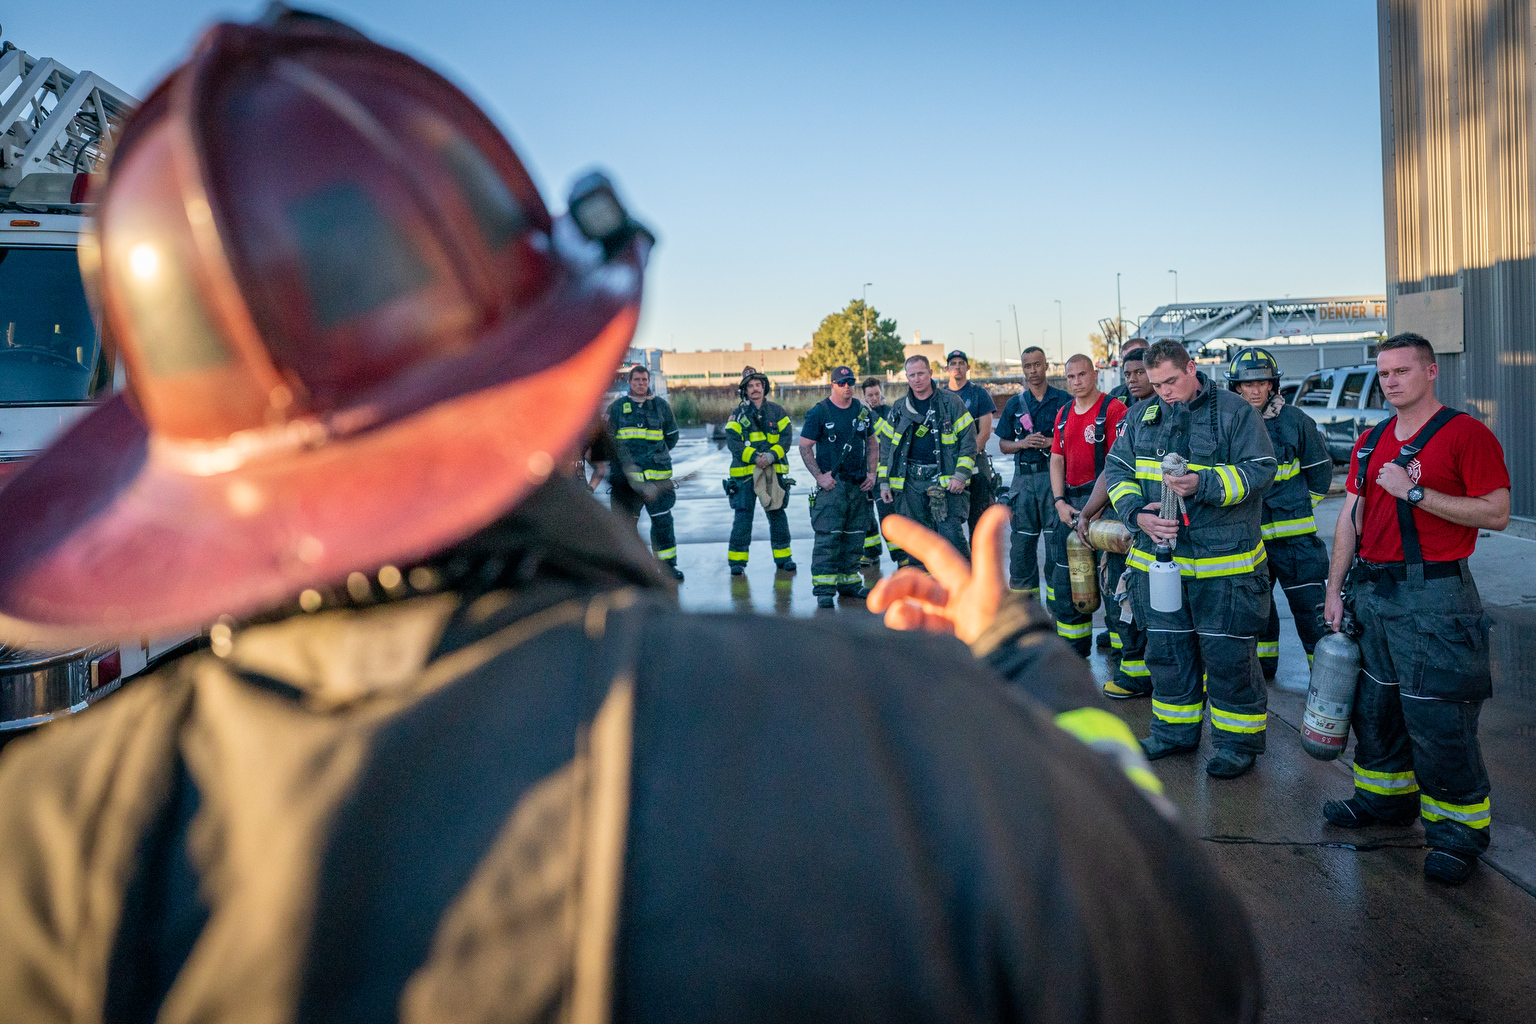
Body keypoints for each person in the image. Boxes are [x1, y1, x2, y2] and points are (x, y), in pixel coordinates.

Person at [0, 16, 1267, 1020]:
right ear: (565, 391)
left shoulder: (46, 844)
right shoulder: (897, 734)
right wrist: (1023, 666)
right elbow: (1191, 954)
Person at [1322, 332, 1510, 886]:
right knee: (1375, 712)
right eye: (1384, 373)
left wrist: (1415, 493)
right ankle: (1384, 802)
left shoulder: (1464, 434)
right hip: (1373, 594)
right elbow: (1348, 519)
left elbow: (1497, 512)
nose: (1391, 381)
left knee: (1439, 718)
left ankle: (1456, 834)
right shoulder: (1371, 438)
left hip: (1436, 596)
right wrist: (1334, 590)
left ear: (1431, 372)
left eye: (1402, 371)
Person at [1103, 340, 1277, 779]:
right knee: (1167, 652)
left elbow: (1260, 470)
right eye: (1156, 382)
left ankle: (1237, 744)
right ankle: (1174, 733)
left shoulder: (1236, 412)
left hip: (1226, 568)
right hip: (1159, 567)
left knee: (1229, 659)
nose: (1163, 390)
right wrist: (1136, 515)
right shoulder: (1140, 417)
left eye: (1171, 380)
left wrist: (1205, 483)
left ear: (1192, 368)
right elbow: (1118, 469)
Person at [1225, 347, 1332, 679]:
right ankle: (1264, 669)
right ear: (1236, 388)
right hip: (1250, 541)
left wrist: (1298, 509)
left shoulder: (1296, 421)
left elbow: (1320, 476)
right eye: (1248, 384)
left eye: (1262, 382)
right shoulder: (1229, 426)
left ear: (1273, 385)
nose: (1255, 390)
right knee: (1258, 613)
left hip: (1296, 545)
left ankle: (1326, 680)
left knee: (1311, 613)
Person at [1076, 345, 1154, 698]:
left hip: (1170, 528)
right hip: (1131, 525)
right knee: (1126, 597)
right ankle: (1135, 673)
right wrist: (1089, 512)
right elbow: (1114, 469)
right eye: (1129, 374)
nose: (1134, 380)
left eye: (1141, 372)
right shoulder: (1130, 418)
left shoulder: (1179, 413)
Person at [1047, 355, 1127, 657]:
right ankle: (1073, 652)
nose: (1076, 381)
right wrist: (1059, 503)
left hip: (1106, 507)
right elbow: (1057, 458)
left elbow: (1116, 465)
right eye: (1070, 376)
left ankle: (1124, 654)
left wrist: (1098, 510)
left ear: (1094, 375)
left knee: (1111, 581)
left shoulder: (1114, 410)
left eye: (1082, 375)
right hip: (1070, 506)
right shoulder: (1064, 413)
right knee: (1068, 581)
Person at [877, 355, 977, 565]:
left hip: (946, 483)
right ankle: (926, 591)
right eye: (911, 375)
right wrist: (884, 482)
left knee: (951, 537)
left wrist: (960, 476)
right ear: (907, 377)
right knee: (917, 541)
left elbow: (969, 440)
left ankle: (964, 589)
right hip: (911, 483)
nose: (916, 379)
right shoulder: (898, 408)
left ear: (930, 374)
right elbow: (886, 448)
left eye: (921, 373)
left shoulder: (951, 403)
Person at [799, 366, 878, 608]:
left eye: (851, 382)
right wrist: (819, 476)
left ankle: (850, 583)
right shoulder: (820, 412)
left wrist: (872, 473)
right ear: (832, 384)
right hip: (833, 488)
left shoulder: (862, 411)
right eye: (842, 382)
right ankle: (824, 589)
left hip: (858, 487)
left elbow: (873, 444)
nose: (847, 387)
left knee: (855, 538)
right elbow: (804, 446)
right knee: (828, 539)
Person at [996, 345, 1070, 595]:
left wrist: (1052, 443)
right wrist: (1022, 443)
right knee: (1022, 546)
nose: (1033, 370)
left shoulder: (1064, 401)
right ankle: (1023, 611)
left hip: (1054, 480)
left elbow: (1077, 437)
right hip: (1023, 482)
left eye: (1037, 364)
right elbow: (1003, 444)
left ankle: (1057, 606)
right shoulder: (1015, 404)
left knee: (1056, 544)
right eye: (1027, 366)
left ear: (1047, 365)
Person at [606, 365, 684, 580]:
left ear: (648, 382)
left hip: (658, 481)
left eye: (644, 380)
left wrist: (656, 454)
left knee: (663, 525)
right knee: (625, 528)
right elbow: (608, 442)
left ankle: (667, 568)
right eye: (637, 379)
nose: (641, 383)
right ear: (629, 382)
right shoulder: (617, 408)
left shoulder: (661, 407)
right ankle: (630, 571)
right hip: (627, 484)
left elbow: (672, 437)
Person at [723, 370, 796, 575]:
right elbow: (733, 442)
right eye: (750, 386)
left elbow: (786, 438)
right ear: (744, 391)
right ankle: (737, 562)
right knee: (743, 518)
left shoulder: (777, 412)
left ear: (764, 387)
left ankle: (784, 558)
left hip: (772, 473)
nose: (755, 389)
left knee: (777, 515)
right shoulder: (737, 415)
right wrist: (756, 457)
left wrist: (771, 456)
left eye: (758, 385)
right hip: (744, 477)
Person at [944, 350, 999, 539]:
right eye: (953, 364)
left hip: (976, 466)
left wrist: (964, 460)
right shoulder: (940, 397)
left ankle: (979, 564)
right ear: (947, 369)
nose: (957, 367)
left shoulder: (978, 394)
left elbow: (984, 433)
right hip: (948, 467)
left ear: (967, 367)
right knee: (950, 521)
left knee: (980, 520)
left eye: (961, 363)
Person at [860, 376, 898, 565]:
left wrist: (871, 414)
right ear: (863, 396)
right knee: (865, 517)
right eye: (870, 395)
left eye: (876, 394)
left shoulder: (889, 413)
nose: (874, 398)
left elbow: (887, 434)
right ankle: (871, 553)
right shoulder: (857, 414)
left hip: (883, 475)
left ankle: (901, 557)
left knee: (887, 518)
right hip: (864, 475)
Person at [1107, 337, 1150, 403]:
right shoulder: (1116, 394)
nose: (1131, 361)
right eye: (1126, 358)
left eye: (1137, 354)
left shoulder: (1166, 396)